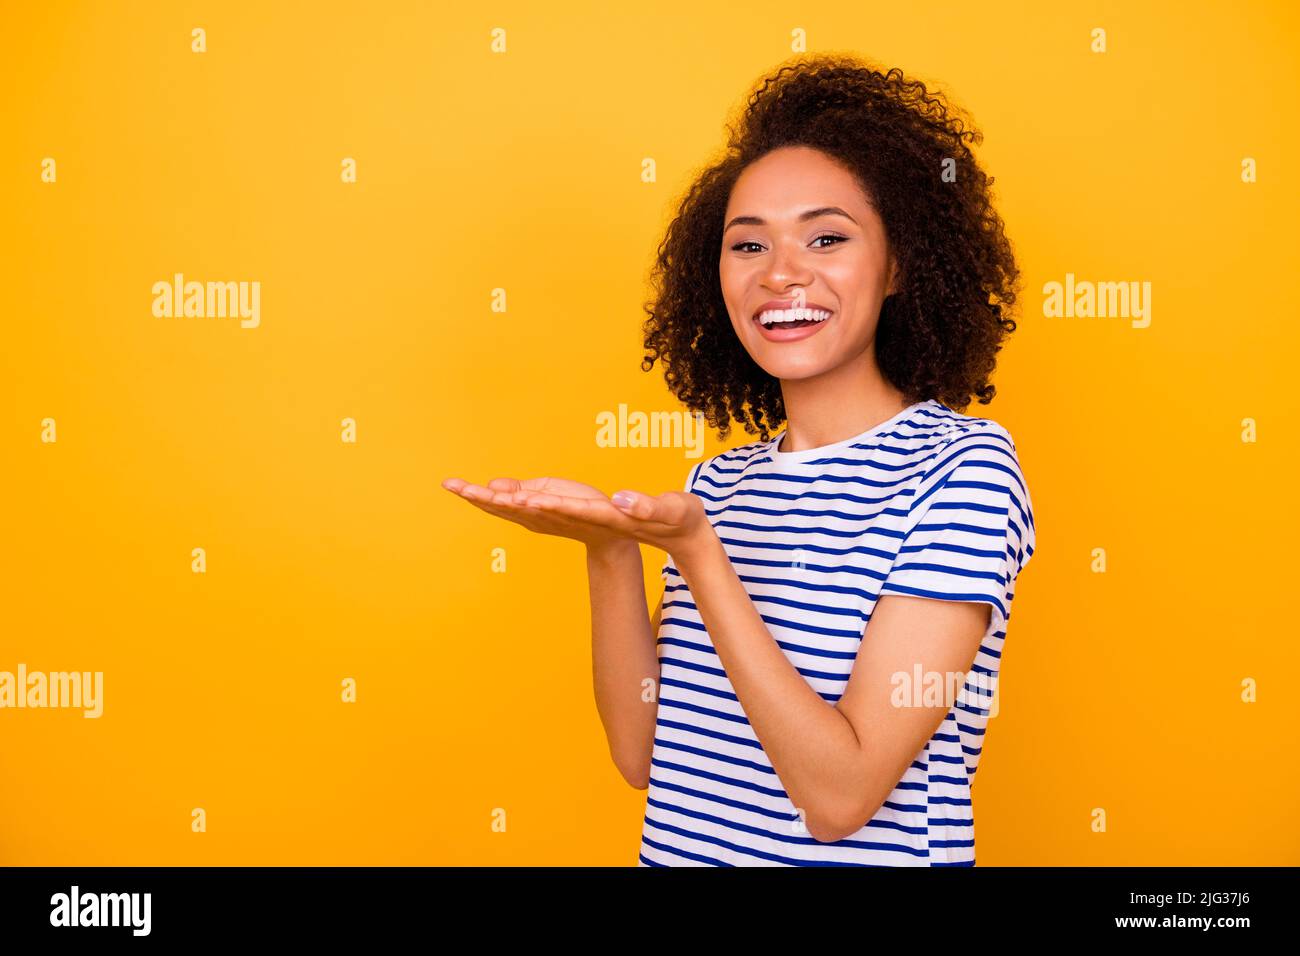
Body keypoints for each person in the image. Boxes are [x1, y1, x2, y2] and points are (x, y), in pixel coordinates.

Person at [442, 53, 1035, 866]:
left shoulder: (964, 469)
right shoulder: (717, 484)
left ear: (900, 263)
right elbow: (645, 757)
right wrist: (610, 550)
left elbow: (840, 796)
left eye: (827, 237)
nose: (782, 275)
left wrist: (697, 554)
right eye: (747, 245)